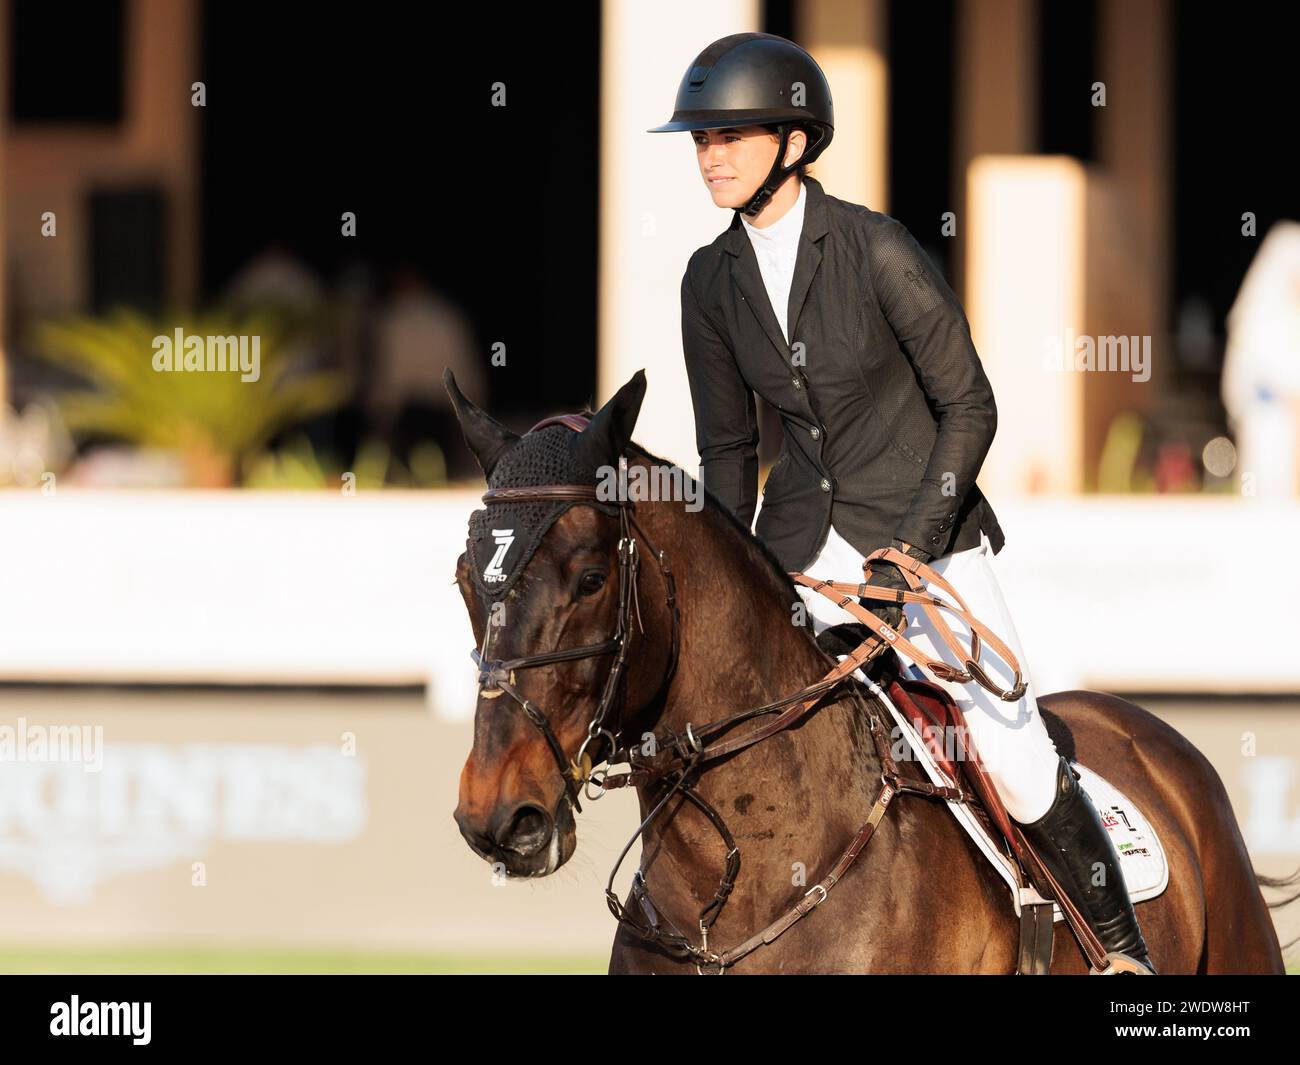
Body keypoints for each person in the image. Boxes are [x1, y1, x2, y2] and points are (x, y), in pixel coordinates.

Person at [650, 31, 1154, 974]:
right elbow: (727, 449)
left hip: (931, 537)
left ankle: (1125, 957)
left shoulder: (876, 248)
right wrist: (733, 582)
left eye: (730, 136)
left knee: (1010, 751)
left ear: (794, 143)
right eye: (700, 140)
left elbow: (972, 404)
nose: (708, 155)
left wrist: (908, 556)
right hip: (800, 546)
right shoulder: (707, 281)